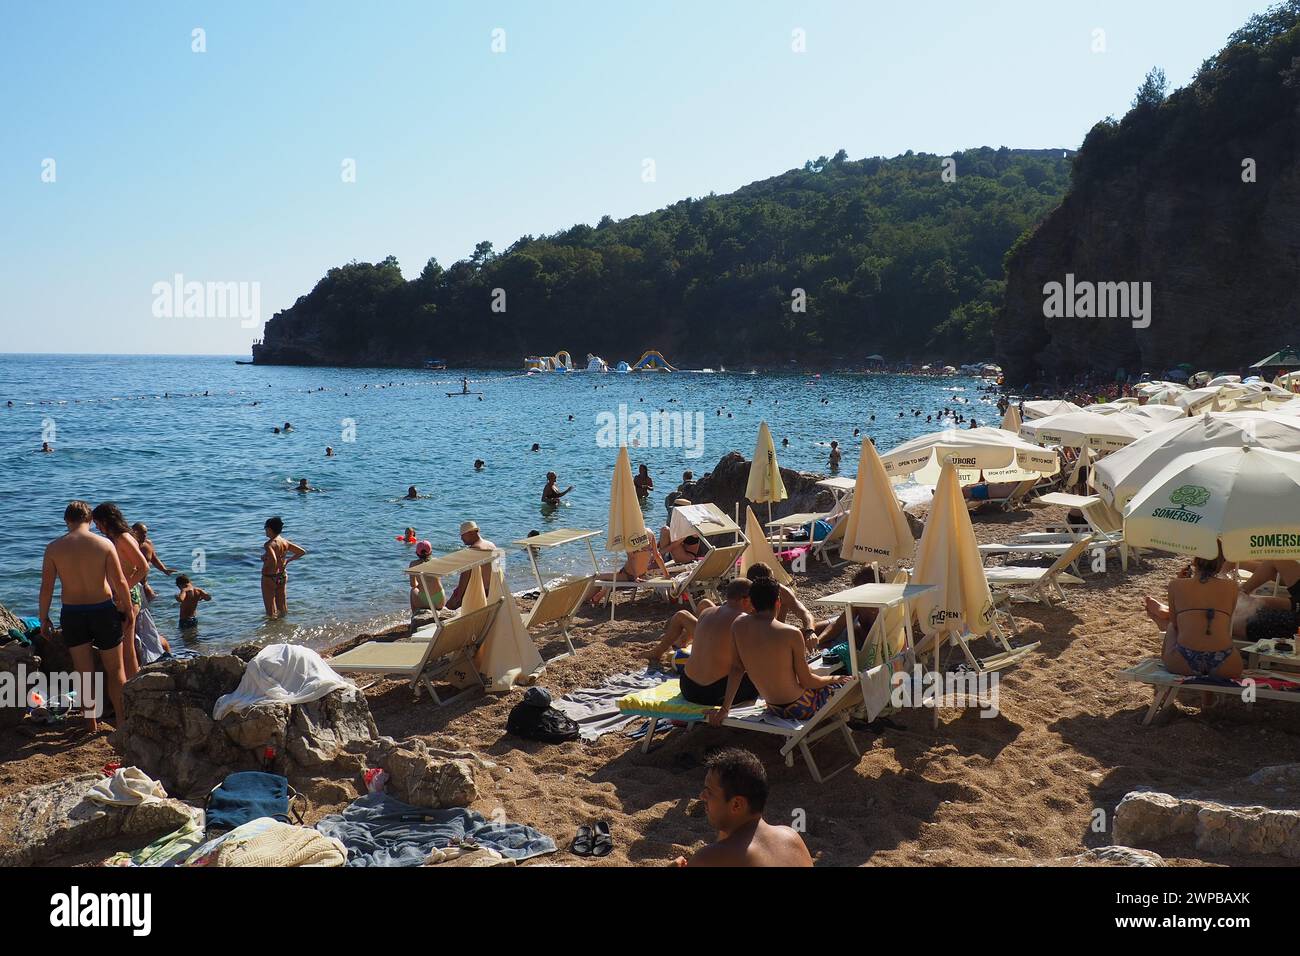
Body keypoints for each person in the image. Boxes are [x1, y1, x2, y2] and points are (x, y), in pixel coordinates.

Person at [39, 501, 131, 732]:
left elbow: (46, 588)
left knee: (84, 672)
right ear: (90, 520)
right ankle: (121, 722)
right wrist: (128, 609)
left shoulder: (54, 548)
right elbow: (119, 582)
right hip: (103, 610)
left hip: (72, 614)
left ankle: (91, 723)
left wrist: (43, 618)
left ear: (67, 521)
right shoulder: (104, 544)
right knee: (115, 671)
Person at [711, 577, 850, 725]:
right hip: (802, 707)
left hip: (773, 707)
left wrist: (725, 708)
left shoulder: (738, 625)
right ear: (778, 601)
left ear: (751, 601)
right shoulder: (791, 633)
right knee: (850, 682)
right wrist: (835, 679)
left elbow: (737, 668)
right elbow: (807, 681)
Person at [675, 748, 812, 867]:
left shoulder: (710, 858)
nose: (702, 796)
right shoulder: (791, 837)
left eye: (709, 791)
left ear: (736, 804)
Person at [644, 578, 760, 706]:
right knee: (759, 675)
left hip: (688, 688)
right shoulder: (743, 621)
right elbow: (741, 667)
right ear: (746, 600)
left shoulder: (706, 612)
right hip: (713, 694)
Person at [1156, 551, 1243, 680]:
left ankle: (1157, 613)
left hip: (1183, 660)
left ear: (1195, 561)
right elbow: (1227, 621)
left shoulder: (1176, 584)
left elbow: (1175, 624)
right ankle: (1208, 699)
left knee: (1171, 627)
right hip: (1226, 662)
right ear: (1221, 563)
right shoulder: (1232, 586)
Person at [91, 503, 148, 679]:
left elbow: (143, 567)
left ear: (106, 521)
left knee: (126, 648)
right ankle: (132, 685)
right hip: (122, 596)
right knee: (125, 646)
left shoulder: (123, 538)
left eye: (98, 523)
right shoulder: (121, 537)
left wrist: (123, 590)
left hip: (126, 597)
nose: (97, 527)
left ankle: (132, 686)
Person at [746, 563, 818, 646]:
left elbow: (804, 613)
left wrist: (810, 631)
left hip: (779, 634)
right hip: (756, 641)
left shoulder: (781, 591)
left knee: (824, 626)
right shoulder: (745, 599)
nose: (774, 583)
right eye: (772, 580)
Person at [591, 526, 668, 601]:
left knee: (598, 576)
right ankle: (599, 594)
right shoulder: (649, 533)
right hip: (638, 574)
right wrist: (666, 574)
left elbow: (632, 558)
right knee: (604, 578)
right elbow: (657, 555)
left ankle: (591, 597)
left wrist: (635, 577)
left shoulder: (629, 536)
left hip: (630, 575)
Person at [261, 516, 306, 618]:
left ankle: (273, 630)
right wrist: (288, 561)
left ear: (269, 529)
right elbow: (301, 552)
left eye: (265, 528)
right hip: (282, 575)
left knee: (270, 610)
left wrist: (266, 563)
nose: (265, 531)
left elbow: (273, 559)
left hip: (270, 577)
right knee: (282, 605)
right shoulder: (285, 542)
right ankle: (283, 624)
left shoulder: (269, 544)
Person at [446, 520, 496, 611]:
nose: (461, 538)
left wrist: (458, 596)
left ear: (471, 533)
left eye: (462, 535)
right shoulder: (491, 545)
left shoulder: (474, 549)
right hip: (493, 589)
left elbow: (465, 576)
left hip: (479, 592)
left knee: (448, 608)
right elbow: (499, 569)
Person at [408, 541, 446, 613]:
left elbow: (412, 584)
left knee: (413, 590)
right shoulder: (437, 561)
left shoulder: (413, 564)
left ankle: (415, 615)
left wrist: (419, 584)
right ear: (430, 551)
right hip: (439, 600)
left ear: (417, 552)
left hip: (424, 601)